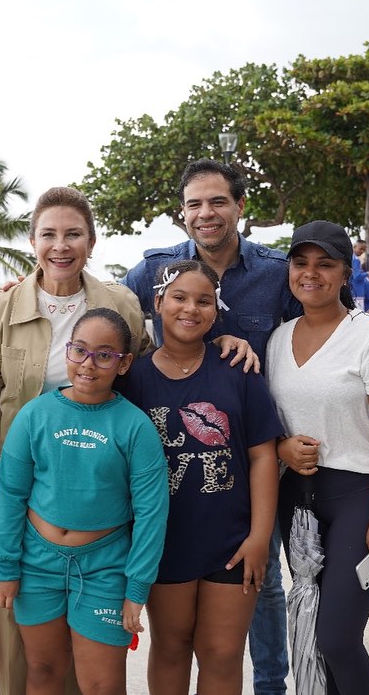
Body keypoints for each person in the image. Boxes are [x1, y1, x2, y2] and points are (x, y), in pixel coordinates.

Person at [120, 159, 369, 695]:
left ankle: (272, 685)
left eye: (218, 201)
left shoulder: (276, 271)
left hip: (260, 464)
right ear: (182, 213)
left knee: (266, 582)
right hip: (213, 472)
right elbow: (101, 306)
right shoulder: (154, 270)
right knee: (186, 636)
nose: (206, 213)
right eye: (194, 204)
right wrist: (34, 283)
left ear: (240, 206)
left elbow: (329, 310)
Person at [0, 185, 256, 695]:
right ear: (32, 241)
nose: (61, 246)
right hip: (28, 493)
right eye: (48, 234)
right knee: (23, 657)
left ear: (92, 240)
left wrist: (221, 341)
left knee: (96, 667)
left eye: (73, 234)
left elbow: (166, 351)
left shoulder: (121, 302)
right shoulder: (2, 307)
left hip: (102, 493)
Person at [121, 259, 282, 695]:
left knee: (223, 652)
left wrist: (259, 537)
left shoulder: (239, 371)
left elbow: (262, 457)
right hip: (163, 541)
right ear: (158, 303)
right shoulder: (133, 379)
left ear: (216, 312)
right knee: (172, 646)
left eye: (204, 301)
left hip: (231, 541)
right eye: (179, 297)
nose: (191, 308)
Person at [0, 308, 169, 693]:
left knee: (102, 686)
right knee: (43, 672)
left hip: (105, 568)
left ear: (123, 363)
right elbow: (11, 495)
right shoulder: (34, 415)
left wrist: (136, 588)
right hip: (37, 566)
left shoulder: (135, 427)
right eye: (80, 350)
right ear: (67, 351)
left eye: (104, 355)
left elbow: (151, 515)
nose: (89, 363)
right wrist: (5, 567)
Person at [268, 220, 369, 695]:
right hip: (299, 498)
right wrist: (283, 447)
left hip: (362, 495)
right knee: (311, 627)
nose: (311, 273)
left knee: (337, 638)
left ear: (346, 273)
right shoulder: (277, 339)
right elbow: (274, 421)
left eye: (325, 264)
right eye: (301, 263)